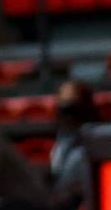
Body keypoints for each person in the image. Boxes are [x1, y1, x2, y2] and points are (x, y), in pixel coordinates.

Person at [50, 79, 101, 210]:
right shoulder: (61, 142)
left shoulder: (97, 139)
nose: (68, 117)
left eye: (72, 109)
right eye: (64, 110)